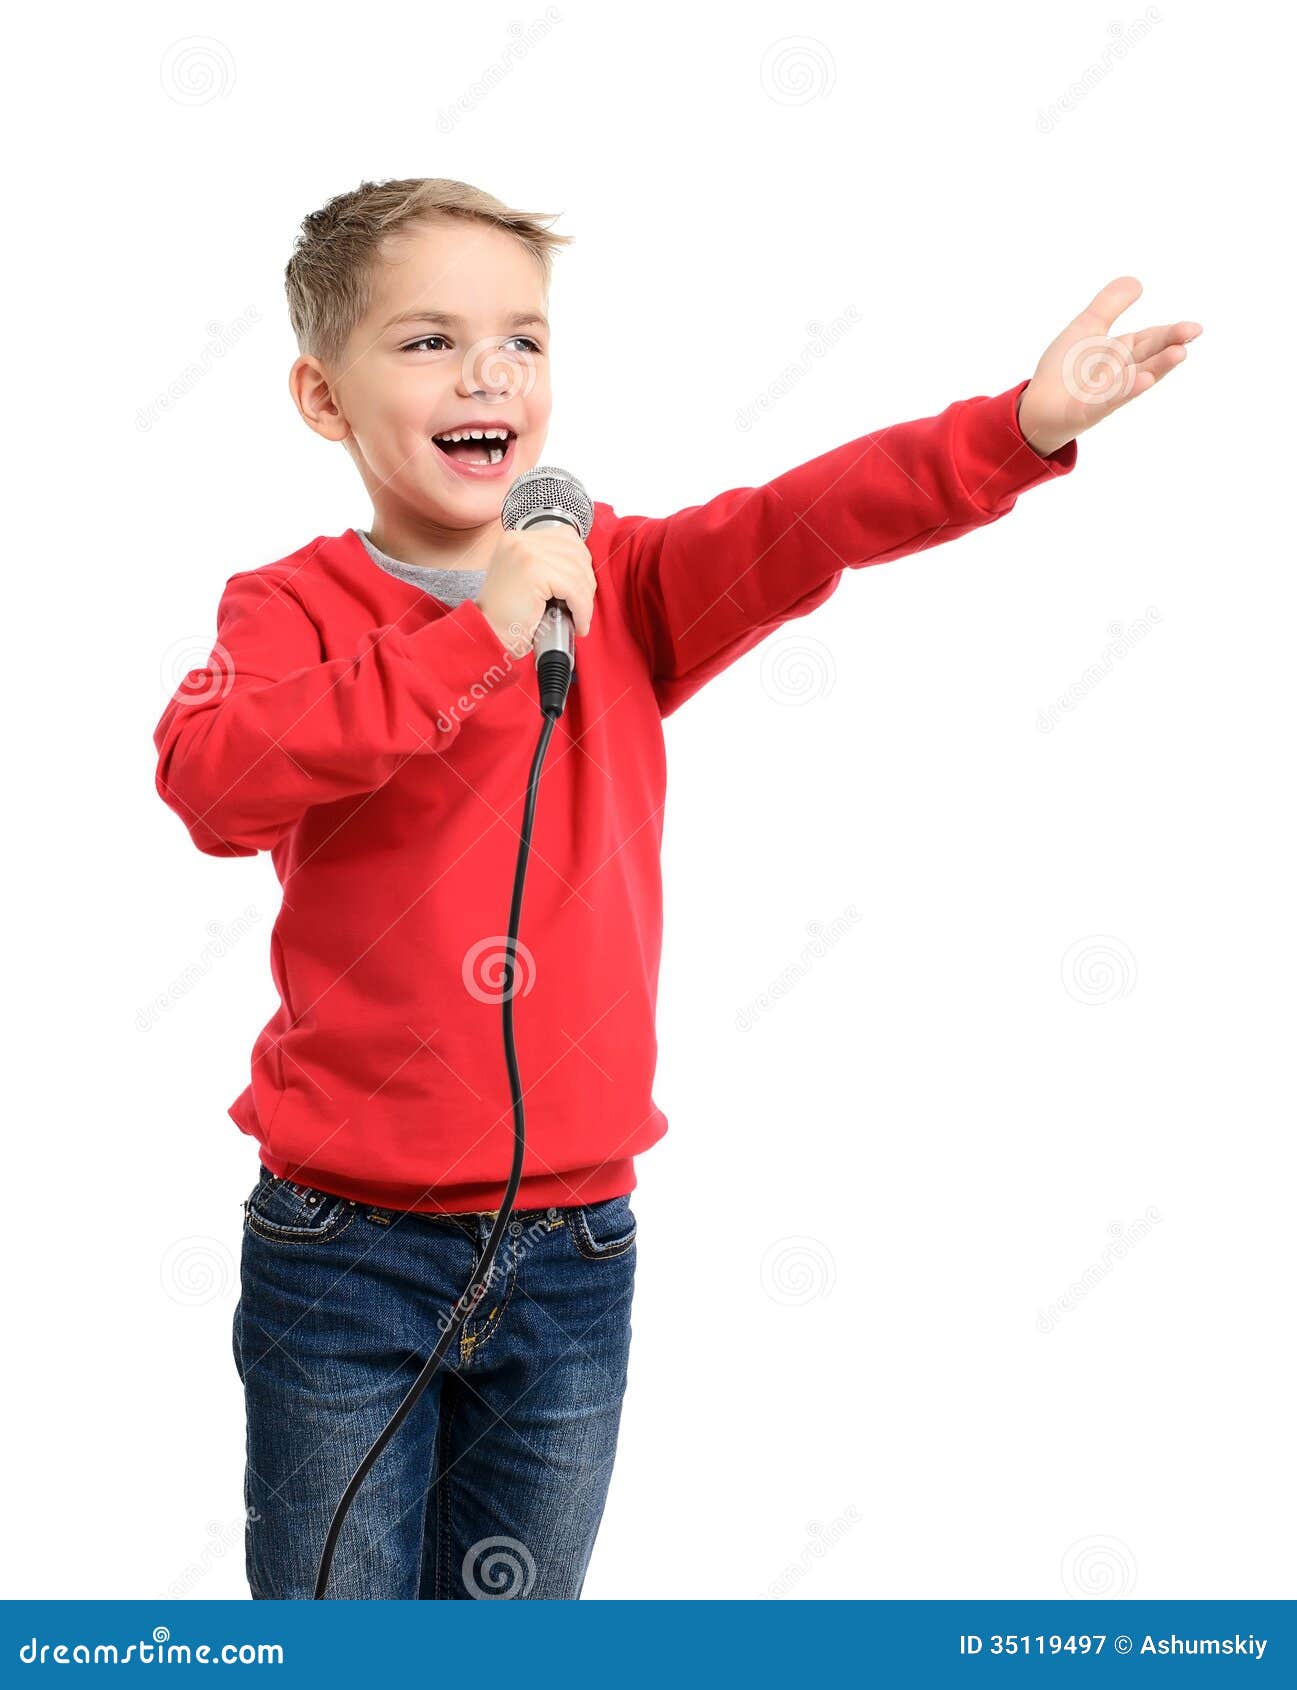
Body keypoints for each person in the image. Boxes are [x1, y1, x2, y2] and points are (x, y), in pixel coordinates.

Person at [152, 176, 1200, 1599]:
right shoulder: (291, 610)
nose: (486, 373)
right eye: (426, 341)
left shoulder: (625, 583)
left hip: (572, 1253)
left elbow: (808, 518)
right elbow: (216, 778)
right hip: (345, 1254)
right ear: (320, 396)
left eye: (521, 339)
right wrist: (476, 641)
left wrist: (1010, 431)